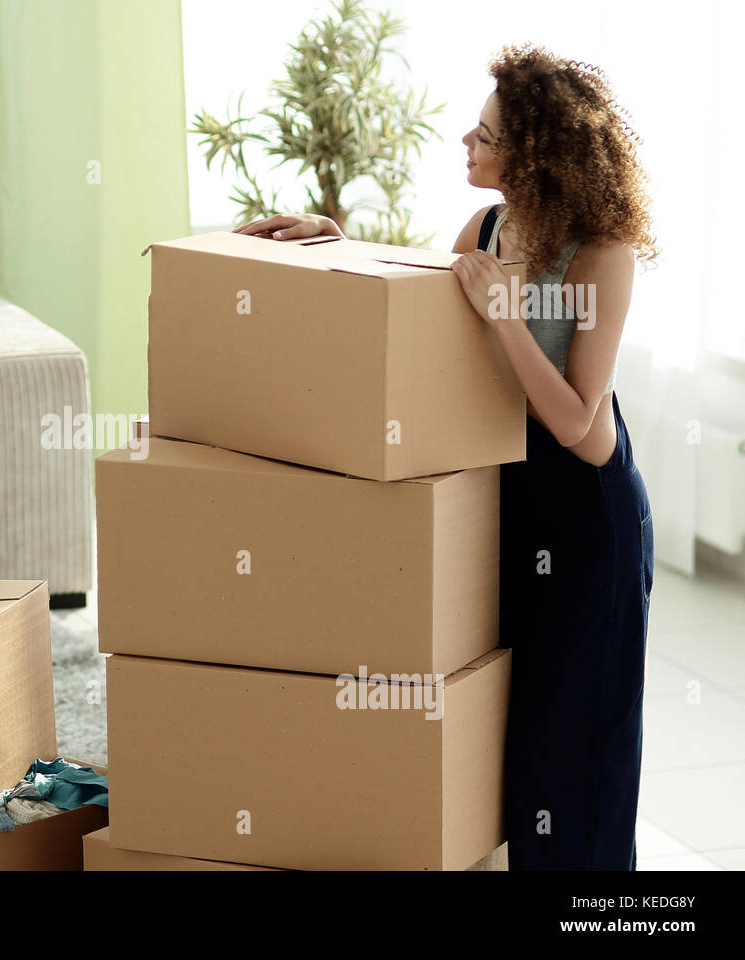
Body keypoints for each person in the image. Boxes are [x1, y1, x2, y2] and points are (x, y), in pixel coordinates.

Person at [235, 43, 657, 870]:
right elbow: (424, 307)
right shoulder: (489, 227)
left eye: (487, 133)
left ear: (533, 151)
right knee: (518, 731)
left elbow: (582, 424)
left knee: (581, 748)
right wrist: (336, 241)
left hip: (585, 519)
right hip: (509, 501)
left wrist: (505, 316)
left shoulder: (602, 255)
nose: (467, 140)